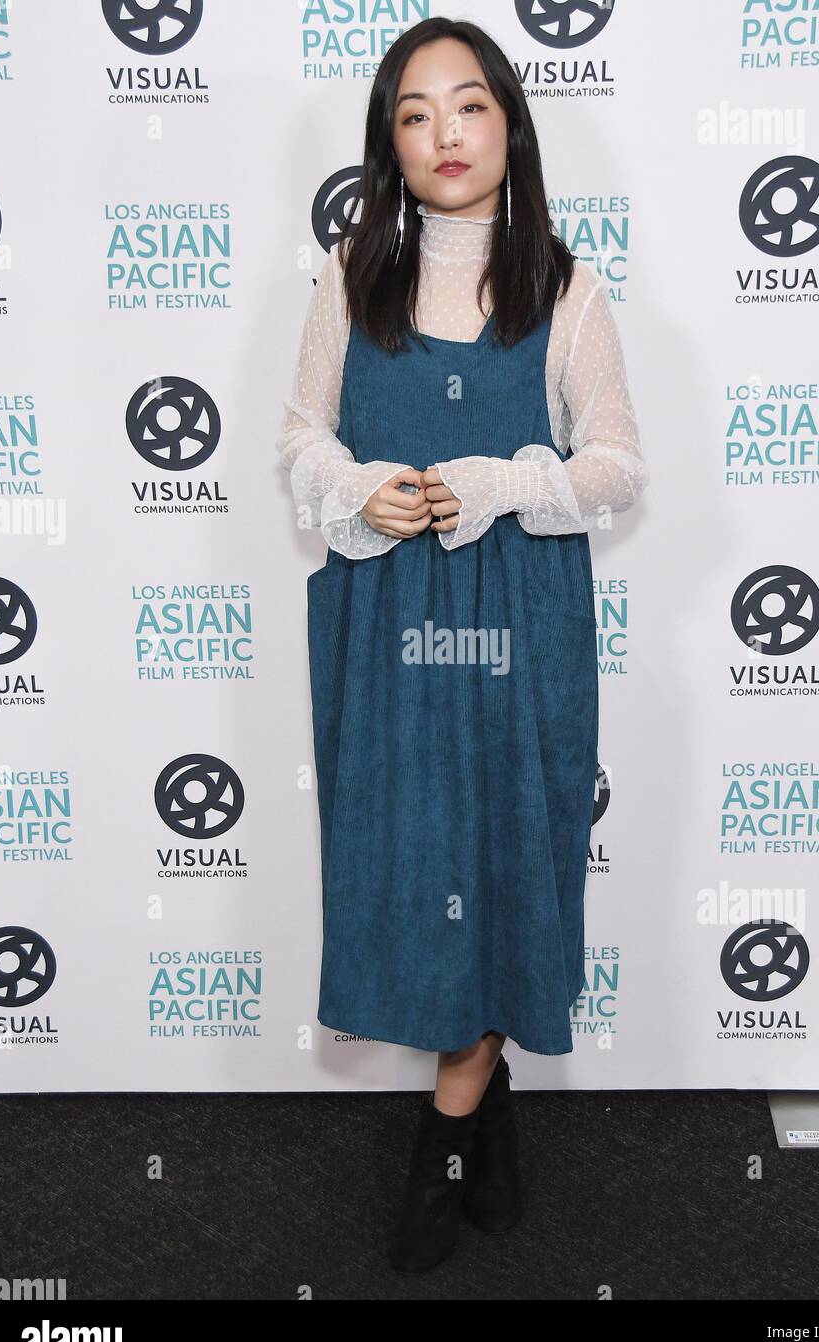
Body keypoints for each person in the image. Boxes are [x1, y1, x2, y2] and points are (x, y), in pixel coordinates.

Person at [276, 15, 647, 1274]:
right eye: (416, 113)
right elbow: (295, 443)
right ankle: (485, 1131)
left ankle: (439, 1160)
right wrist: (358, 491)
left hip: (518, 629)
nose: (446, 133)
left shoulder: (563, 282)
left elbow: (617, 467)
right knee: (412, 872)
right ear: (390, 141)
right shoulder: (350, 275)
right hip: (384, 631)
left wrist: (503, 479)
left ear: (510, 125)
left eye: (470, 104)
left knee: (504, 862)